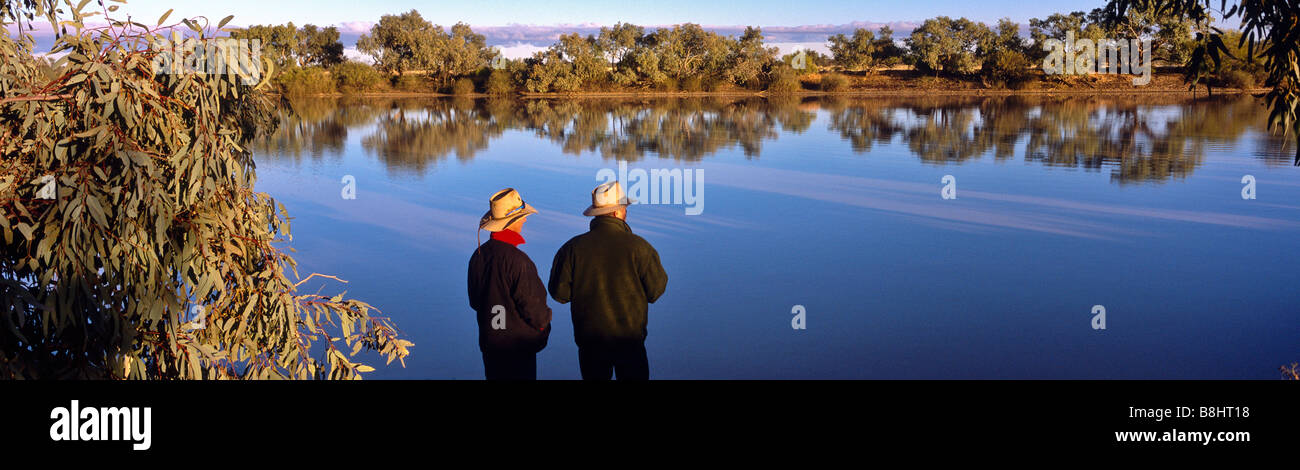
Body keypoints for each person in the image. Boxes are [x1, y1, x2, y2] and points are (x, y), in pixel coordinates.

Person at [548, 181, 668, 380]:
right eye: (624, 208)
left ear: (596, 213)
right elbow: (656, 291)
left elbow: (559, 295)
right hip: (630, 341)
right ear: (617, 212)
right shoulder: (640, 247)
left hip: (590, 342)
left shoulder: (571, 249)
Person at [468, 188, 552, 380]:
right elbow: (536, 312)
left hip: (490, 345)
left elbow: (474, 302)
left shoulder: (478, 255)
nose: (525, 220)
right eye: (521, 217)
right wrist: (543, 330)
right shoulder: (519, 261)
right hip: (519, 349)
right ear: (511, 222)